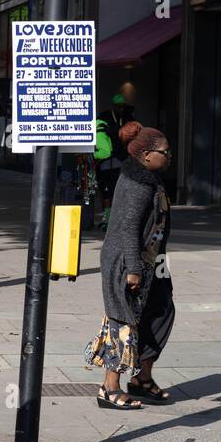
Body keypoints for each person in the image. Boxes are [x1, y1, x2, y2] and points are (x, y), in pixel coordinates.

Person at [84, 120, 175, 409]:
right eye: (165, 152)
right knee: (124, 321)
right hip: (127, 261)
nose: (169, 156)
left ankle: (141, 379)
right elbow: (127, 228)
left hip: (153, 261)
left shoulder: (150, 177)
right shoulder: (138, 184)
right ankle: (109, 388)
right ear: (147, 155)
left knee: (161, 312)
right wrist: (133, 268)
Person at [95, 86, 137, 229]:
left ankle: (117, 220)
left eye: (123, 106)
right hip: (106, 159)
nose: (121, 109)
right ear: (113, 106)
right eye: (119, 106)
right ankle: (107, 219)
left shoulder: (128, 118)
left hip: (122, 159)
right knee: (106, 192)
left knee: (119, 190)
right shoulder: (105, 116)